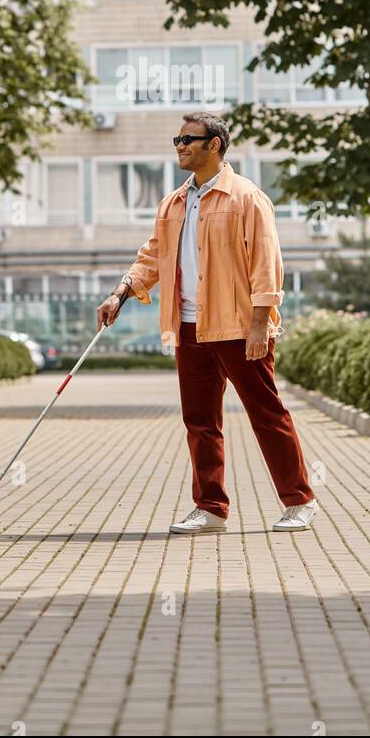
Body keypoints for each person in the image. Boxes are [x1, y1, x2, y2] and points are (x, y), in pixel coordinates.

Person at [97, 112, 317, 534]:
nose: (179, 146)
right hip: (189, 328)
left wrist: (259, 323)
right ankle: (211, 508)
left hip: (238, 327)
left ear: (214, 145)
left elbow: (266, 264)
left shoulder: (246, 198)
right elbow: (152, 257)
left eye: (188, 139)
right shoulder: (174, 203)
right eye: (176, 139)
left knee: (265, 414)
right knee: (199, 421)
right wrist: (119, 292)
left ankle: (300, 500)